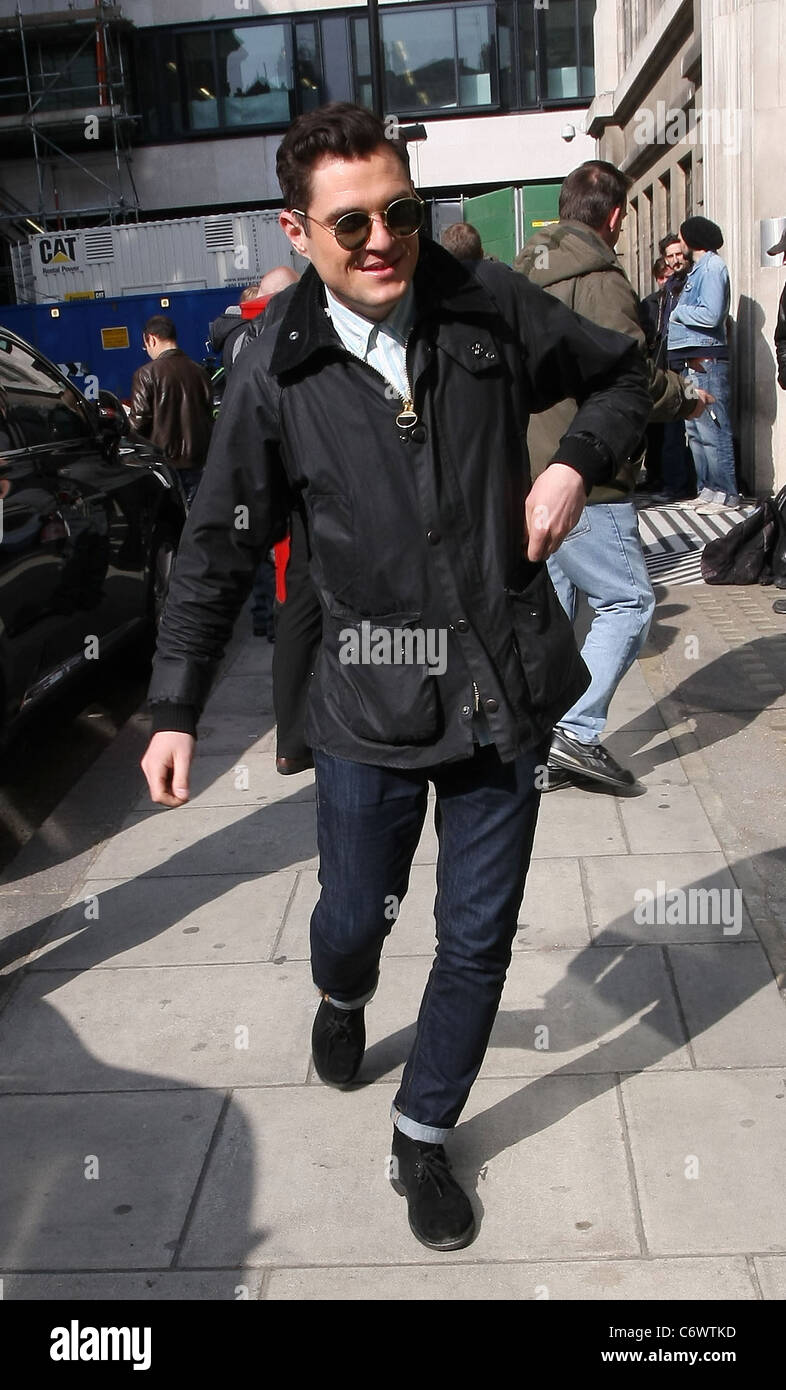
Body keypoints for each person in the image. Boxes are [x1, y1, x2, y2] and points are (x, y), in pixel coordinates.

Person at [140, 102, 650, 1252]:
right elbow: (220, 543)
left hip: (503, 688)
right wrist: (174, 704)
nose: (382, 240)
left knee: (478, 939)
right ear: (298, 231)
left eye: (401, 213)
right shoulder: (274, 371)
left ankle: (423, 1135)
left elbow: (626, 378)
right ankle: (343, 994)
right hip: (370, 695)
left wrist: (571, 465)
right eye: (351, 221)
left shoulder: (486, 308)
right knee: (350, 919)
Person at [515, 161, 710, 792]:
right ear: (617, 215)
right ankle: (573, 733)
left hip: (535, 466)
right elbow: (628, 380)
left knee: (556, 608)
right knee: (630, 601)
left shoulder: (525, 273)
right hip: (586, 474)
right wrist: (685, 395)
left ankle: (538, 741)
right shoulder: (599, 281)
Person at [667, 216, 741, 514]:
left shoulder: (712, 267)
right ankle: (708, 487)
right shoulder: (697, 270)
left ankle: (727, 492)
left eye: (682, 236)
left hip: (705, 356)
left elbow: (711, 315)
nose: (679, 242)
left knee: (712, 424)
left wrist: (679, 312)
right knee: (695, 428)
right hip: (688, 357)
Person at [129, 316, 213, 507]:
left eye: (146, 345)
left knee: (172, 524)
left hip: (164, 466)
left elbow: (138, 423)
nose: (147, 350)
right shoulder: (199, 372)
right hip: (199, 462)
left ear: (151, 339)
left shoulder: (145, 374)